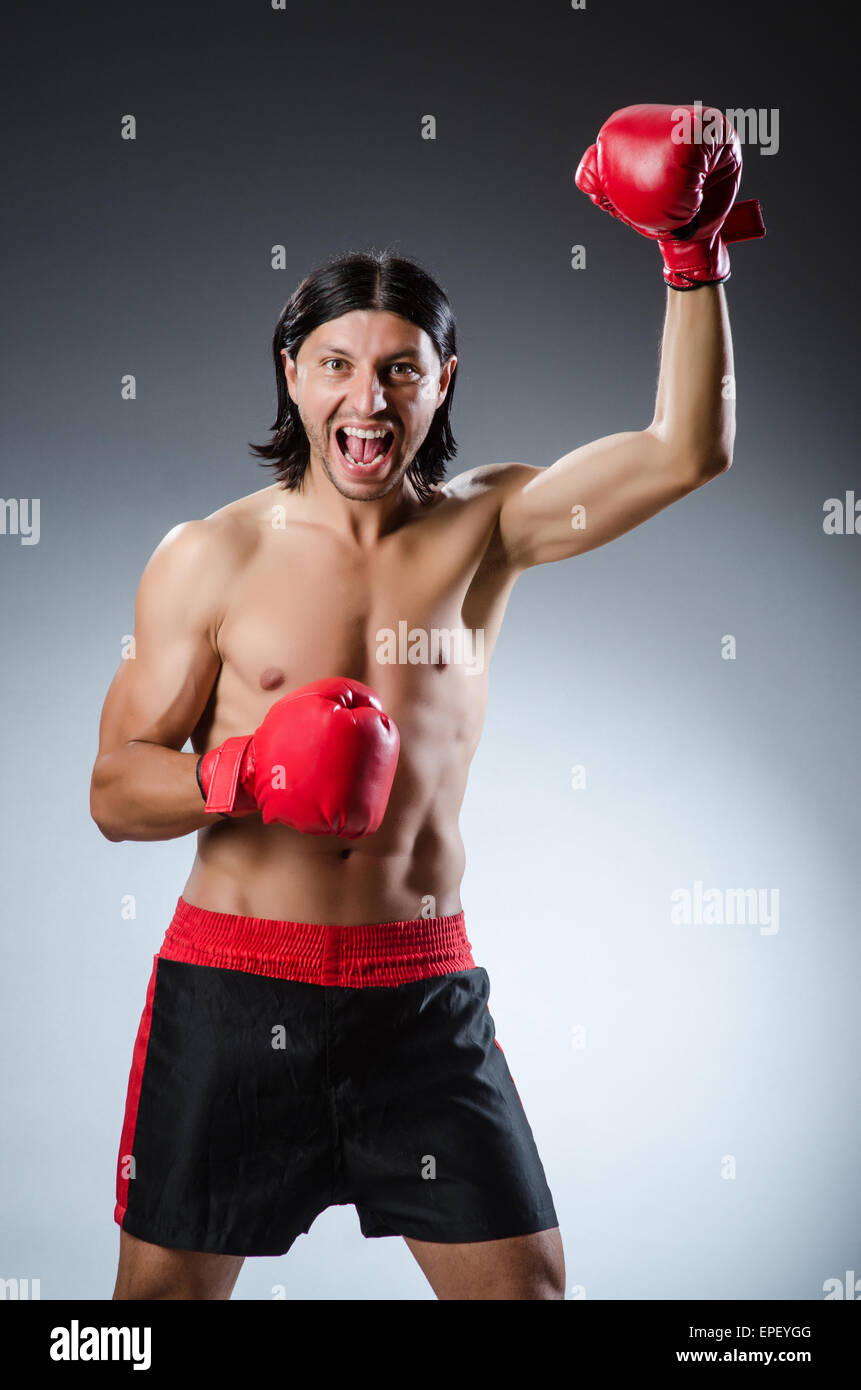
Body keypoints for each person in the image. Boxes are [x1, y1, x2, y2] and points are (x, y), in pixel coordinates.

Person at [91, 103, 764, 1301]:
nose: (370, 398)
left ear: (441, 379)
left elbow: (686, 450)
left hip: (418, 997)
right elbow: (113, 788)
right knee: (155, 1317)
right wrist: (236, 772)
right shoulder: (209, 557)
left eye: (401, 367)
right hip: (240, 987)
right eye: (338, 364)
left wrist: (691, 258)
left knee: (527, 1296)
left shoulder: (487, 528)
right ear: (292, 373)